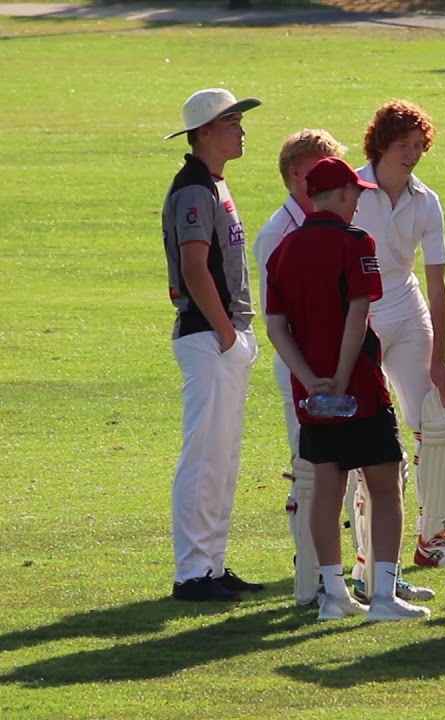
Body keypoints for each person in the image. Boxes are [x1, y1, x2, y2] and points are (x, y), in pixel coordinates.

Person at [253, 130, 433, 606]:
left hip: (310, 391)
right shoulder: (357, 241)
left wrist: (311, 380)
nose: (359, 200)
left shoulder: (284, 249)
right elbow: (358, 314)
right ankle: (383, 596)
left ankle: (333, 594)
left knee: (326, 486)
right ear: (341, 194)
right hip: (359, 386)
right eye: (356, 192)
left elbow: (276, 326)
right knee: (385, 481)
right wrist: (341, 371)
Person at [353, 100, 445, 571]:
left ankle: (433, 539)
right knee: (362, 434)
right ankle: (364, 555)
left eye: (420, 145)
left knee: (436, 421)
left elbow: (438, 282)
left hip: (407, 311)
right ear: (381, 144)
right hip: (357, 321)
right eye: (404, 145)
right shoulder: (350, 190)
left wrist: (440, 358)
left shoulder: (427, 199)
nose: (413, 154)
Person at [162, 88, 263, 602]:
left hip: (222, 336)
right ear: (205, 132)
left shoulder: (216, 184)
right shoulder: (195, 188)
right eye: (232, 121)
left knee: (222, 460)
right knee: (204, 458)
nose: (242, 128)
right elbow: (195, 266)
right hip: (208, 338)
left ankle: (212, 564)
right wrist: (227, 333)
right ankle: (191, 574)